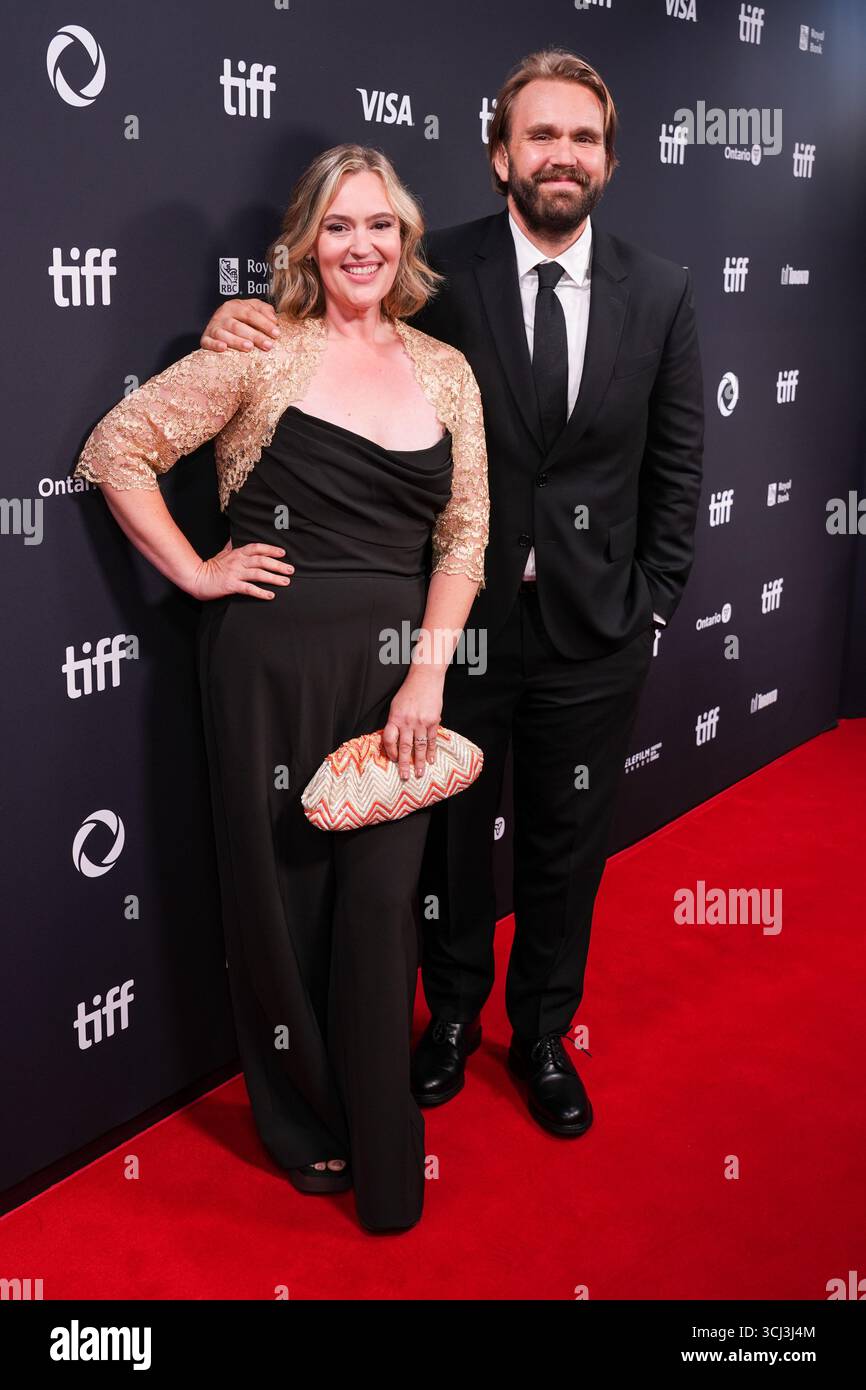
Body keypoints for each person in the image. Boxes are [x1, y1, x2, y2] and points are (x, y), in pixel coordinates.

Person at [198, 50, 704, 1141]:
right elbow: (337, 337)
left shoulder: (659, 292)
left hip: (593, 633)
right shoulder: (433, 272)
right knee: (447, 848)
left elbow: (678, 470)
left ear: (608, 161)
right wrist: (235, 328)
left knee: (567, 844)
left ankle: (540, 1035)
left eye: (580, 137)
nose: (558, 155)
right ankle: (450, 1018)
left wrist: (650, 606)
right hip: (449, 630)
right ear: (498, 156)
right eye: (538, 135)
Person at [72, 144, 489, 1233]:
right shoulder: (262, 351)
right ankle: (307, 1121)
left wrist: (426, 677)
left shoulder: (445, 369)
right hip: (266, 665)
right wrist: (199, 570)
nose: (361, 246)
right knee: (278, 898)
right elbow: (118, 449)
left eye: (381, 226)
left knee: (381, 903)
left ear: (405, 241)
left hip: (397, 676)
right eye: (338, 226)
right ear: (307, 241)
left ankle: (382, 1132)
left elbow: (466, 535)